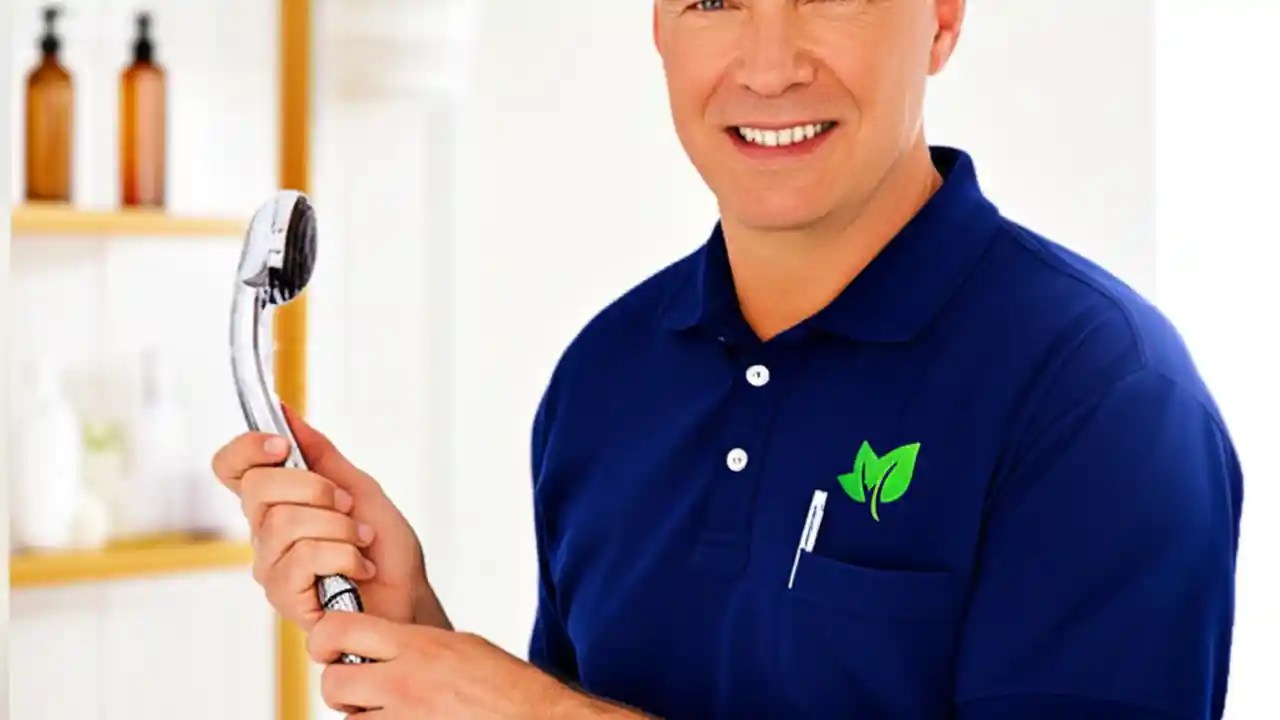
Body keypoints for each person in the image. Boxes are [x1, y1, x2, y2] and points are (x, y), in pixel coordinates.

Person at [212, 1, 1243, 717]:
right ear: (658, 27)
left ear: (940, 16)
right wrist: (421, 644)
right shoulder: (603, 380)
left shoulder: (1102, 401)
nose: (766, 65)